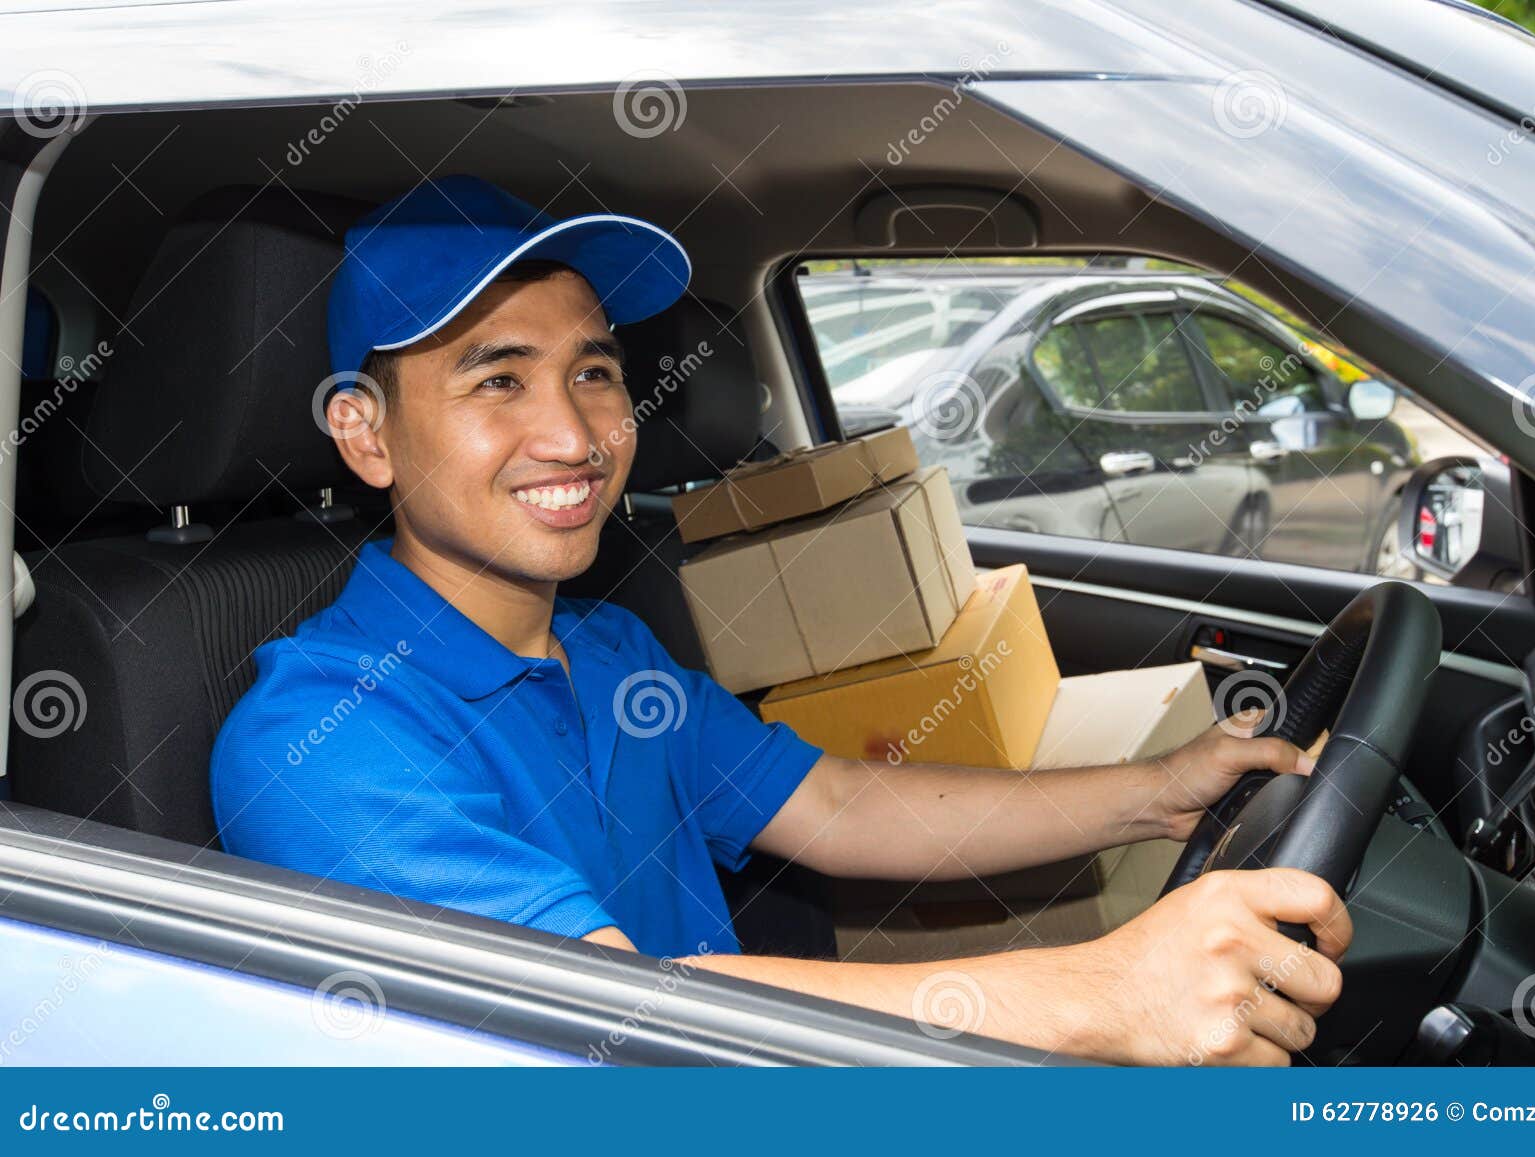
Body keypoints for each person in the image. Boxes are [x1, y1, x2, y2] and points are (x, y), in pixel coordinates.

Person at [211, 175, 1350, 1066]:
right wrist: (1109, 991)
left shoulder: (608, 649)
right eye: (497, 380)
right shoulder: (318, 737)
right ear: (366, 434)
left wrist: (1157, 792)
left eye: (595, 372)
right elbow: (616, 1015)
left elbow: (842, 804)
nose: (575, 436)